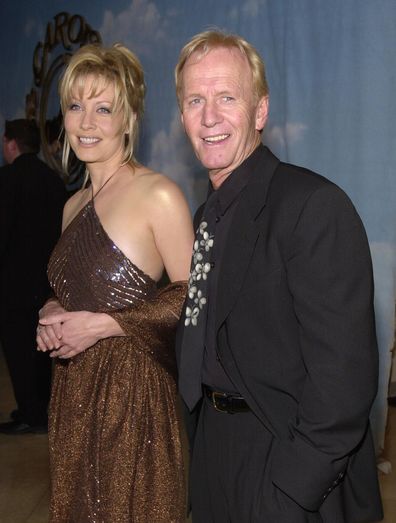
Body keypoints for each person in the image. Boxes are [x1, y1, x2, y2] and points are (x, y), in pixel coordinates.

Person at [175, 30, 383, 523]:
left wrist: (290, 492)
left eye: (227, 97)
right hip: (214, 456)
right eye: (195, 100)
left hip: (282, 462)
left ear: (260, 112)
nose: (209, 117)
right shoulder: (206, 215)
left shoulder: (312, 206)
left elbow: (344, 384)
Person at [36, 43, 193, 522]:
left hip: (135, 401)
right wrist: (50, 311)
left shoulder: (158, 194)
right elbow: (76, 293)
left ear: (128, 120)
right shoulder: (72, 206)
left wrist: (104, 325)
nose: (86, 123)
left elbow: (193, 299)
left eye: (103, 109)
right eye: (75, 107)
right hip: (73, 395)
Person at [0, 119, 66, 434]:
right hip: (47, 285)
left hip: (12, 286)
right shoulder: (53, 180)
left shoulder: (7, 179)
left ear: (11, 144)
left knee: (17, 351)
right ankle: (42, 410)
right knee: (42, 350)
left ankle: (29, 413)